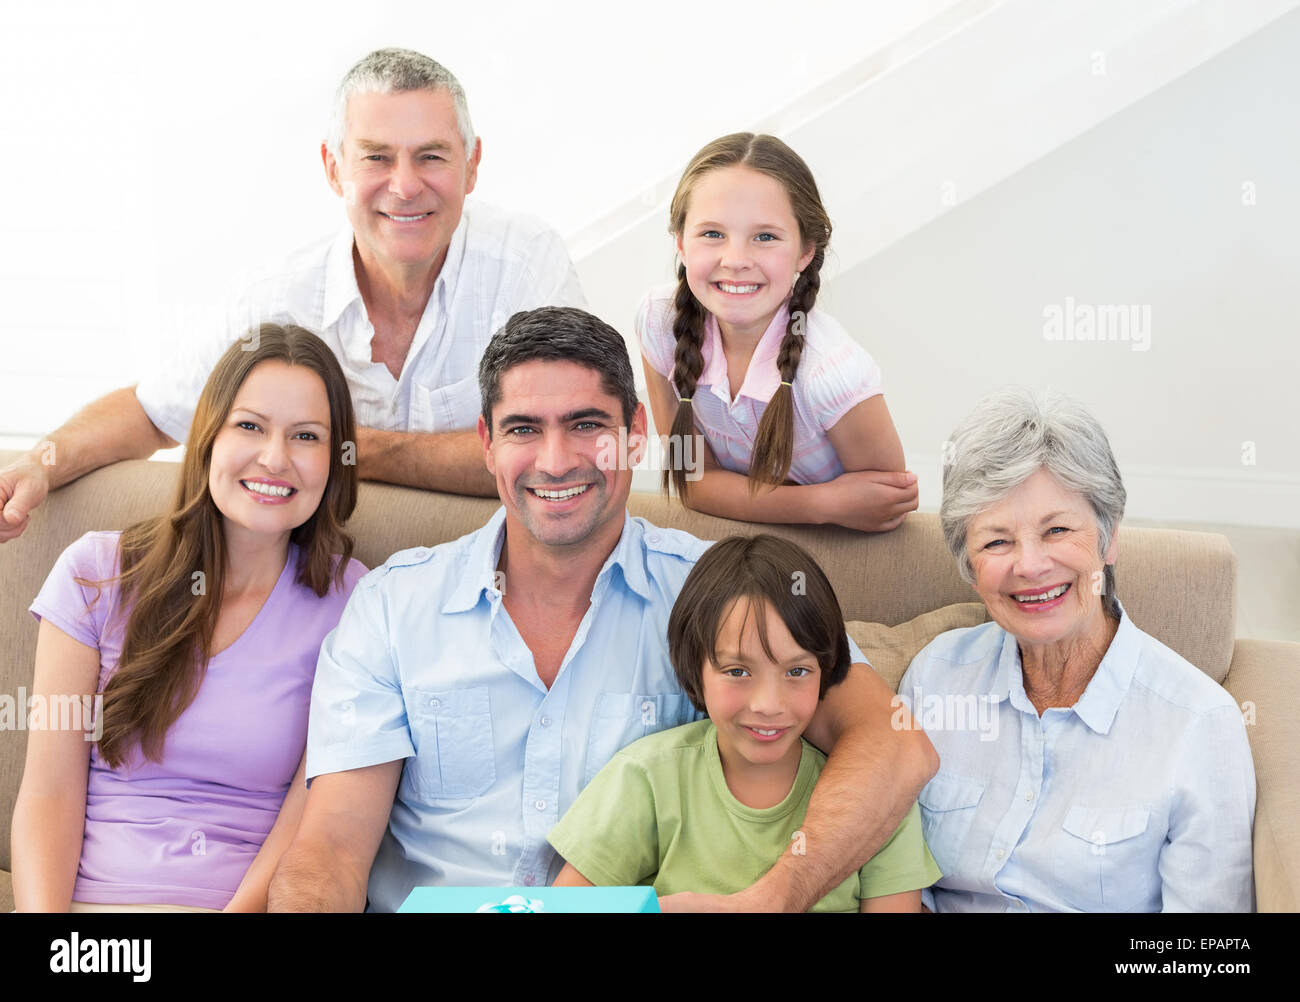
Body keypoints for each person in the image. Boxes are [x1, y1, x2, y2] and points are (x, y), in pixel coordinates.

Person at [268, 306, 937, 913]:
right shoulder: (393, 606)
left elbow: (895, 744)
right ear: (487, 442)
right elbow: (328, 852)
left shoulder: (718, 593)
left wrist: (774, 898)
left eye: (586, 426)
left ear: (637, 433)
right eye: (524, 429)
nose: (556, 462)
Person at [0, 47, 585, 544]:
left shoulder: (525, 265)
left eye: (431, 156)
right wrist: (39, 464)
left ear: (472, 165)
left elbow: (563, 452)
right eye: (376, 157)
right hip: (320, 596)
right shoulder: (276, 298)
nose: (405, 186)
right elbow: (152, 412)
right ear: (334, 169)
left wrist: (352, 447)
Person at [11, 325, 368, 912]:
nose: (274, 458)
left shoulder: (355, 603)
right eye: (249, 426)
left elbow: (312, 825)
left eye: (306, 436)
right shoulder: (94, 574)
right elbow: (49, 793)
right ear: (206, 439)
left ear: (336, 460)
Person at [898, 388, 1256, 912]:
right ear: (970, 567)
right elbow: (894, 877)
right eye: (997, 541)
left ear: (1108, 540)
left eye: (1057, 530)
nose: (1030, 566)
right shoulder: (936, 677)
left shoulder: (1198, 724)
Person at [549, 533, 941, 911]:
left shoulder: (879, 802)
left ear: (827, 671)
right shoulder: (644, 780)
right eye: (737, 672)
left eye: (797, 671)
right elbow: (563, 909)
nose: (768, 704)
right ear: (694, 669)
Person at [637, 132, 916, 532]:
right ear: (680, 242)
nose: (735, 260)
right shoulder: (658, 323)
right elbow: (692, 482)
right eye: (712, 233)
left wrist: (742, 495)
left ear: (805, 251)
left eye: (765, 237)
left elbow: (886, 509)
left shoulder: (833, 374)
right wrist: (821, 503)